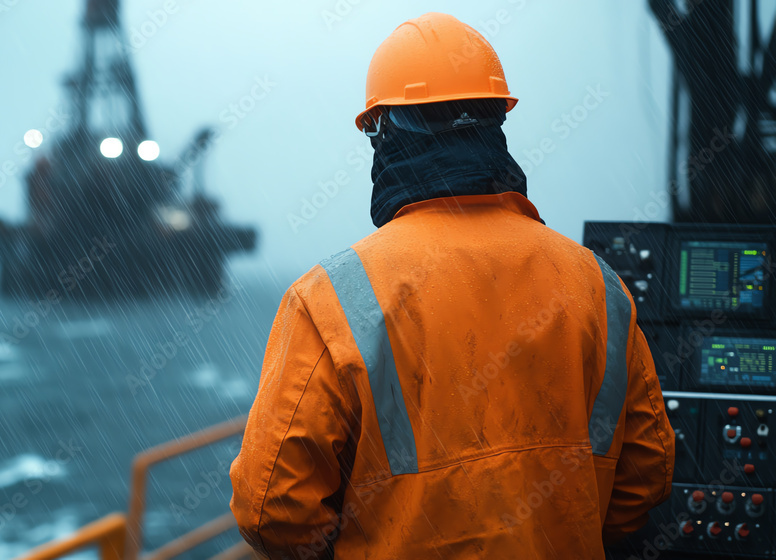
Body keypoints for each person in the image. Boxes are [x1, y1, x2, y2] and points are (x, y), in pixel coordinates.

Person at [229, 12, 675, 560]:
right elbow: (644, 477)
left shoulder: (330, 298)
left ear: (383, 134)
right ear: (495, 126)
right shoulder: (596, 285)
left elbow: (271, 507)